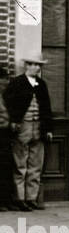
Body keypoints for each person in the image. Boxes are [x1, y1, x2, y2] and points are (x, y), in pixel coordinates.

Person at [4, 55, 54, 210]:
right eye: (33, 64)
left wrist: (48, 129)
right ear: (26, 66)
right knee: (20, 164)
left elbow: (46, 108)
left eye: (38, 65)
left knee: (35, 164)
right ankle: (19, 199)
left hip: (38, 128)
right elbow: (9, 103)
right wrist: (14, 121)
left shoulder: (41, 84)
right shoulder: (17, 83)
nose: (37, 67)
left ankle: (31, 198)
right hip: (22, 128)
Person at [0, 64, 16, 211]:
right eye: (4, 79)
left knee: (6, 166)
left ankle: (6, 200)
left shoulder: (6, 95)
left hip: (5, 135)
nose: (6, 82)